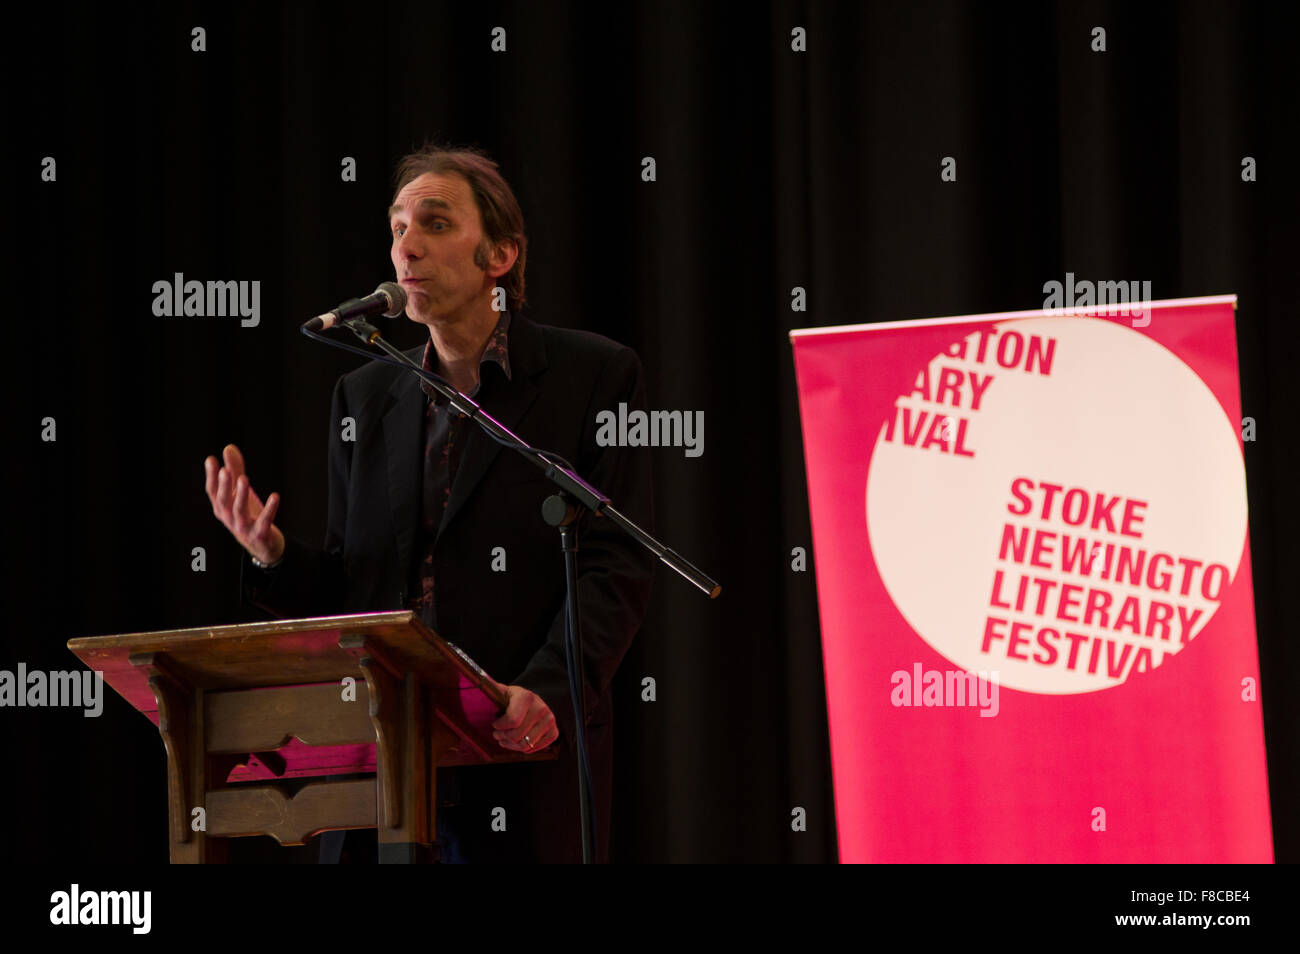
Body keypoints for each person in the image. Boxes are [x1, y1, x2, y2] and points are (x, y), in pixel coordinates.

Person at [203, 144, 655, 862]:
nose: (405, 246)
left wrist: (547, 690)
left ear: (499, 255)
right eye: (397, 227)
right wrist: (275, 555)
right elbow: (356, 588)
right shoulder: (365, 396)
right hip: (380, 765)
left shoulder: (593, 376)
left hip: (516, 749)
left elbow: (615, 566)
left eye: (435, 224)